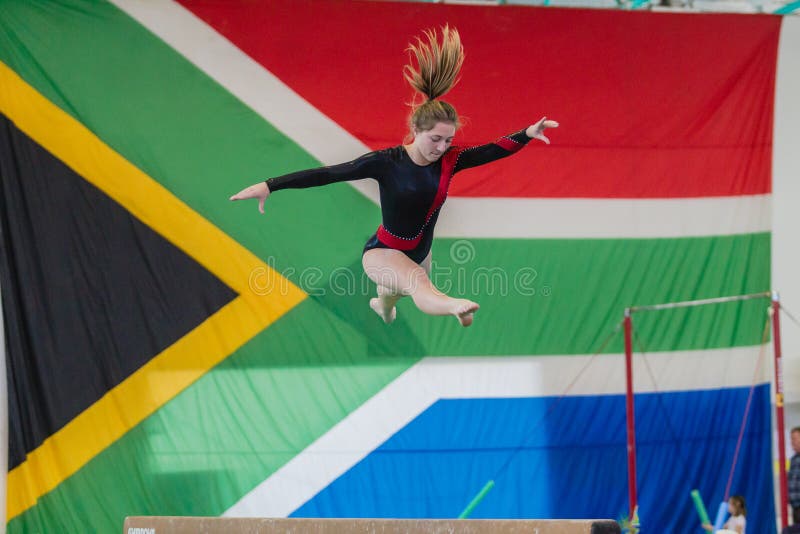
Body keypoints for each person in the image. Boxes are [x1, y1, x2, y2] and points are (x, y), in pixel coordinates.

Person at [230, 25, 558, 327]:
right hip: (383, 252)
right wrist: (270, 185)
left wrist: (528, 133)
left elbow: (492, 150)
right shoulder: (386, 162)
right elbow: (328, 174)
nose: (442, 147)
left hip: (420, 251)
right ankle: (453, 306)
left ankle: (383, 305)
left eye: (448, 140)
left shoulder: (451, 159)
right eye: (435, 139)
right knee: (420, 285)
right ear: (416, 129)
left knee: (397, 291)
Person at [790, 427, 800, 526]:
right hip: (795, 506)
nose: (792, 442)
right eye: (791, 439)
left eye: (794, 438)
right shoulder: (793, 459)